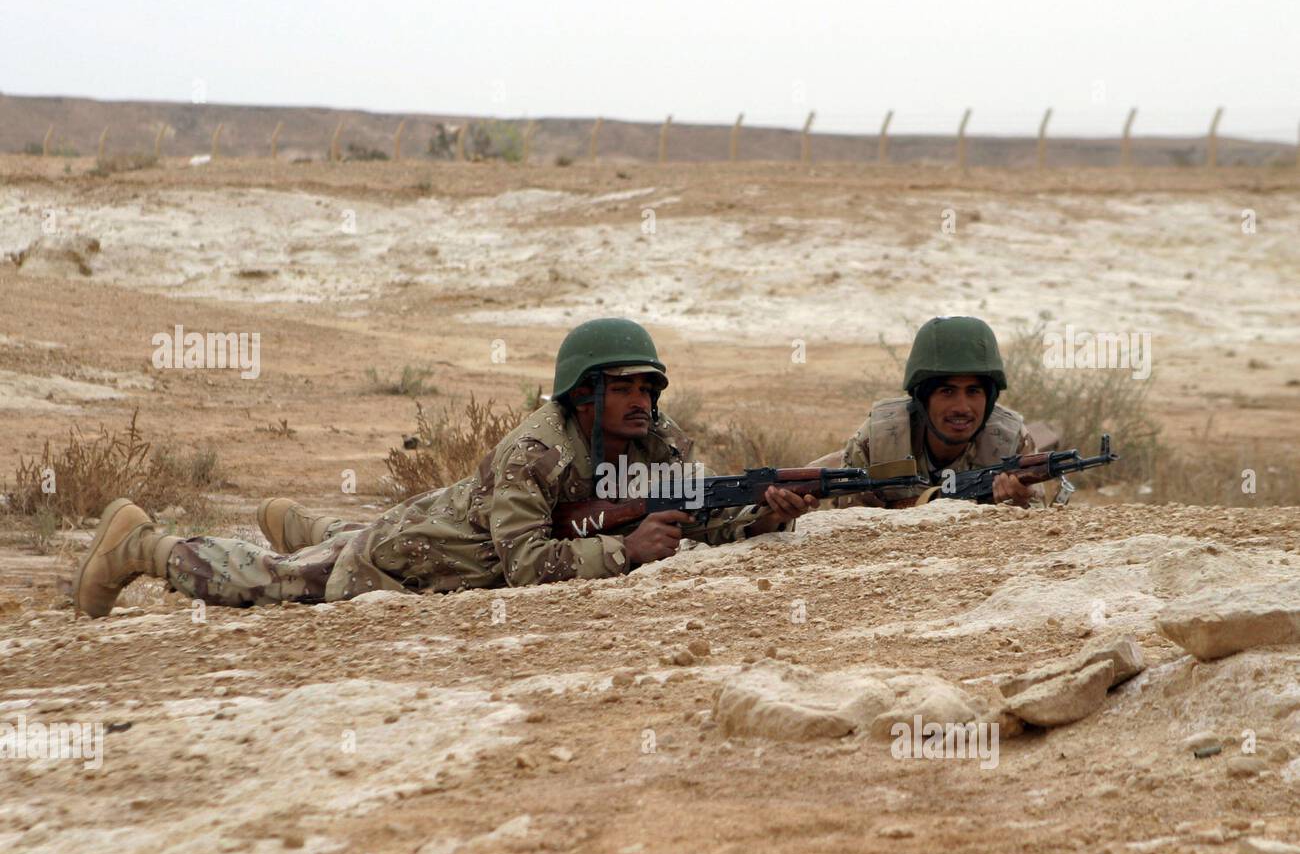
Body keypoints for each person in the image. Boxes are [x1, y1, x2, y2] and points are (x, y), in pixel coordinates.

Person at [73, 318, 816, 617]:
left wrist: (760, 512)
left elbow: (699, 515)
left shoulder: (661, 443)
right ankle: (143, 544)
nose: (638, 401)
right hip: (411, 558)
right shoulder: (535, 453)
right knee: (274, 583)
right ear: (581, 396)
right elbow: (527, 566)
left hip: (454, 518)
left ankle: (311, 525)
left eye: (647, 387)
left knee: (347, 537)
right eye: (620, 387)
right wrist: (625, 550)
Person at [824, 316, 1041, 508]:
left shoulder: (1012, 442)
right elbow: (849, 526)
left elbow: (1042, 525)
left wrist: (1018, 505)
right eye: (947, 391)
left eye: (973, 391)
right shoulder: (877, 442)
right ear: (922, 398)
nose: (962, 408)